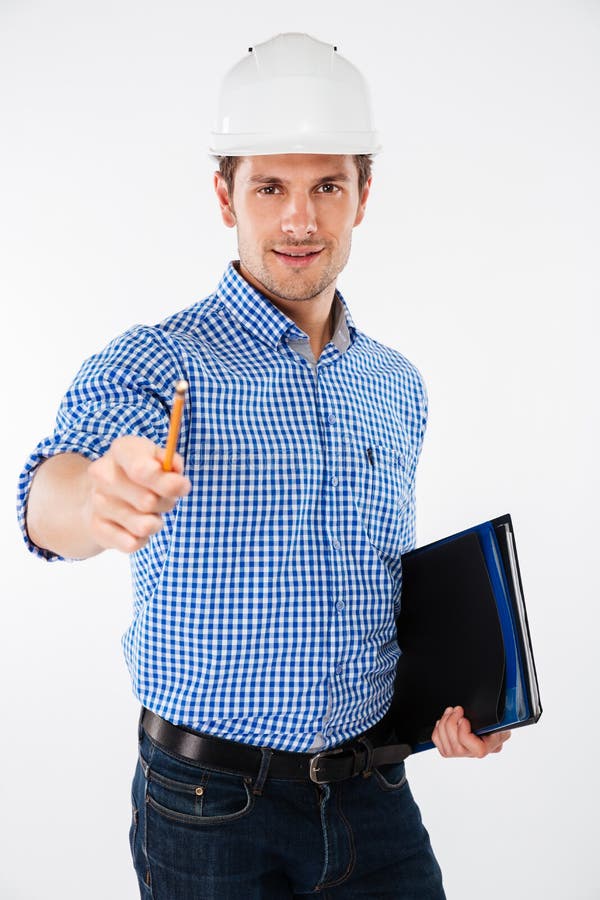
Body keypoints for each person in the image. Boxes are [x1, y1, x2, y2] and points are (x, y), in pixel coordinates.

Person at [17, 33, 510, 900]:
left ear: (363, 196)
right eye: (270, 187)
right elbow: (47, 495)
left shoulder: (396, 384)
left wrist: (448, 709)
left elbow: (374, 590)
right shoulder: (157, 363)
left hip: (375, 793)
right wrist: (95, 500)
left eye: (326, 186)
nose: (298, 219)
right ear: (225, 195)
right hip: (210, 808)